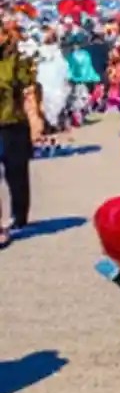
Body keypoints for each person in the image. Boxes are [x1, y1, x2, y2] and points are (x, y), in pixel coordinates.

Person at [0, 19, 37, 247]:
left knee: (16, 173)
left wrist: (35, 119)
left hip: (13, 122)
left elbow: (28, 86)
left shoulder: (18, 58)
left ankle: (19, 214)